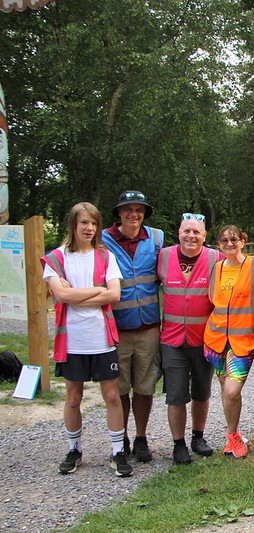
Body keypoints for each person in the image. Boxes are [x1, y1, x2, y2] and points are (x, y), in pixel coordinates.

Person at [42, 202, 132, 477]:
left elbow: (114, 295)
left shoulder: (105, 257)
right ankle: (74, 449)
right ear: (73, 224)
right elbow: (61, 296)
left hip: (101, 338)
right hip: (72, 340)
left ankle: (118, 452)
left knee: (112, 396)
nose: (89, 228)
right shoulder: (56, 259)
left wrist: (78, 293)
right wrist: (96, 289)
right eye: (83, 223)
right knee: (73, 397)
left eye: (93, 223)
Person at [101, 190, 164, 462]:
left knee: (144, 386)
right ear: (119, 213)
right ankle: (121, 436)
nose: (133, 214)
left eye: (138, 210)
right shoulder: (102, 240)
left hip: (148, 327)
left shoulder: (157, 238)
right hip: (116, 330)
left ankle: (141, 437)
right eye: (128, 209)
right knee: (119, 388)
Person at [157, 213, 220, 464]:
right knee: (175, 395)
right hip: (172, 340)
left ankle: (198, 436)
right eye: (186, 231)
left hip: (204, 339)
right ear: (179, 233)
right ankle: (178, 444)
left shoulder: (216, 258)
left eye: (196, 232)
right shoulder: (163, 257)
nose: (191, 236)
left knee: (201, 392)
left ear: (204, 236)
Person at [203, 225, 254, 459]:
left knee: (231, 391)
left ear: (243, 241)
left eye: (234, 240)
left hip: (244, 341)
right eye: (224, 241)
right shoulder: (217, 268)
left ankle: (233, 434)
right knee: (224, 389)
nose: (229, 244)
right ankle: (233, 436)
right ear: (219, 244)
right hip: (215, 339)